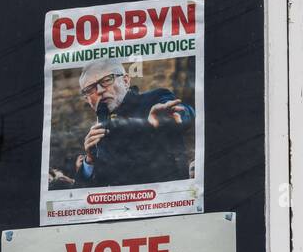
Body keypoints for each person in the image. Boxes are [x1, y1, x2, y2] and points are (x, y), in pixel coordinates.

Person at [49, 59, 195, 189]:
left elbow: (185, 113)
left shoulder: (154, 99)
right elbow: (84, 194)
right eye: (90, 89)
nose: (99, 90)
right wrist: (89, 162)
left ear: (126, 81)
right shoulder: (96, 133)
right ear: (87, 99)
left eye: (107, 80)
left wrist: (166, 120)